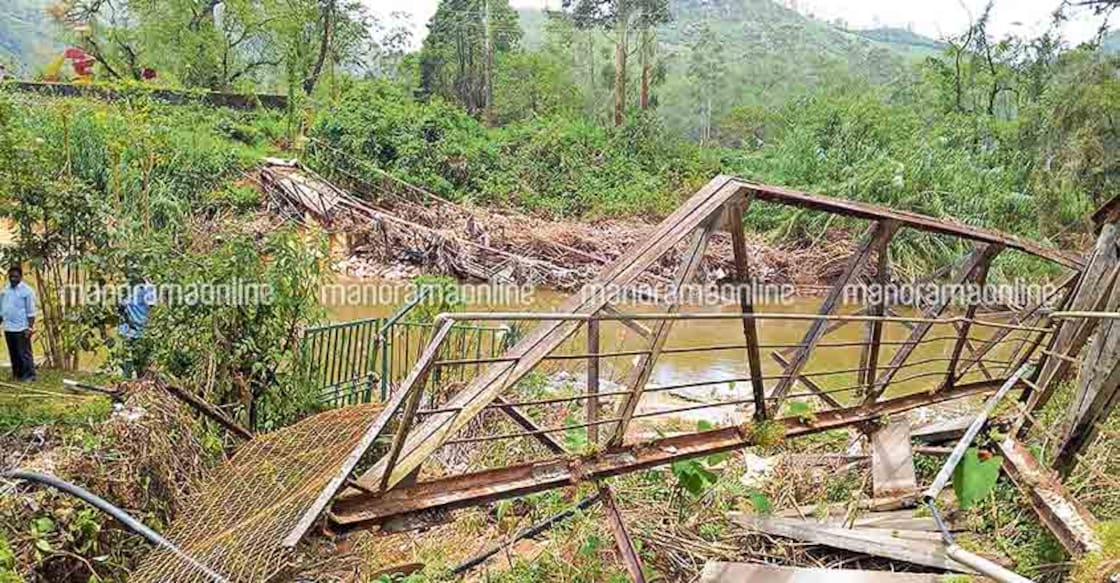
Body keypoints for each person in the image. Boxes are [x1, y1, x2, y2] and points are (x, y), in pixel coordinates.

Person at [1, 265, 37, 382]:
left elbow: (31, 312)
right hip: (9, 328)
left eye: (15, 277)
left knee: (24, 353)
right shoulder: (5, 291)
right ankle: (17, 374)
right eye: (11, 277)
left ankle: (29, 376)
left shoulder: (27, 291)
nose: (13, 279)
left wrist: (30, 328)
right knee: (13, 353)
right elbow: (2, 310)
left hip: (21, 327)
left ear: (20, 277)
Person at [118, 270, 155, 379]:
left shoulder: (125, 289)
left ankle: (128, 380)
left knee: (130, 356)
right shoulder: (149, 289)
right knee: (139, 359)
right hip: (140, 330)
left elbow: (120, 308)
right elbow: (153, 308)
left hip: (130, 329)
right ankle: (134, 380)